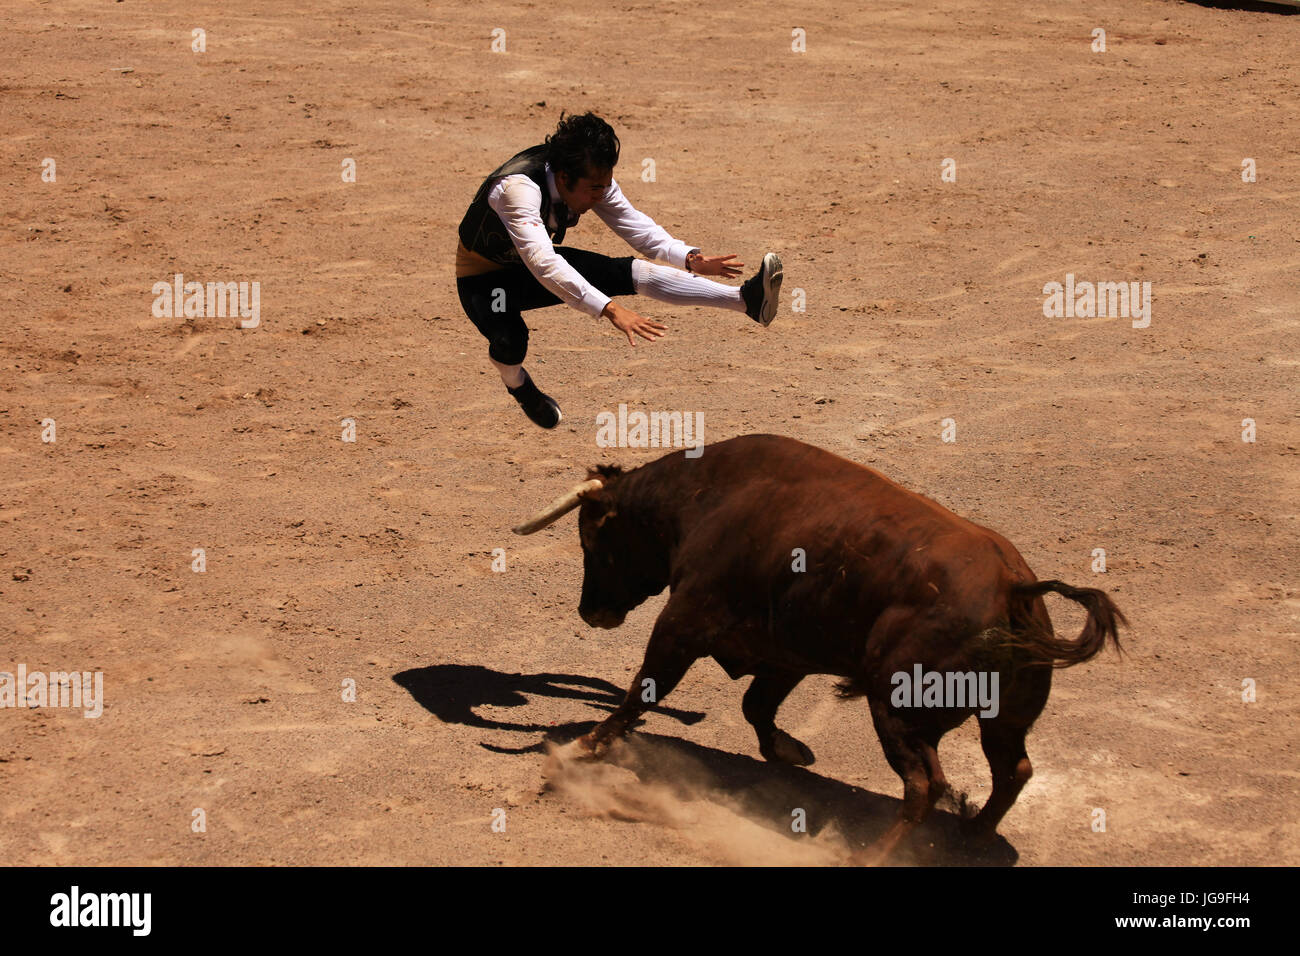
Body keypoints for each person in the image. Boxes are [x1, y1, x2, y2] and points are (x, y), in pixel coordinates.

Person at [455, 111, 783, 429]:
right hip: (483, 278)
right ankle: (517, 385)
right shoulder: (517, 190)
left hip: (531, 262)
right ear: (565, 178)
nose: (601, 195)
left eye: (605, 185)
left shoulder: (590, 176)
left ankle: (746, 300)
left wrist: (689, 257)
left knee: (626, 272)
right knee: (511, 342)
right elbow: (544, 264)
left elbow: (633, 223)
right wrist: (609, 309)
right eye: (595, 189)